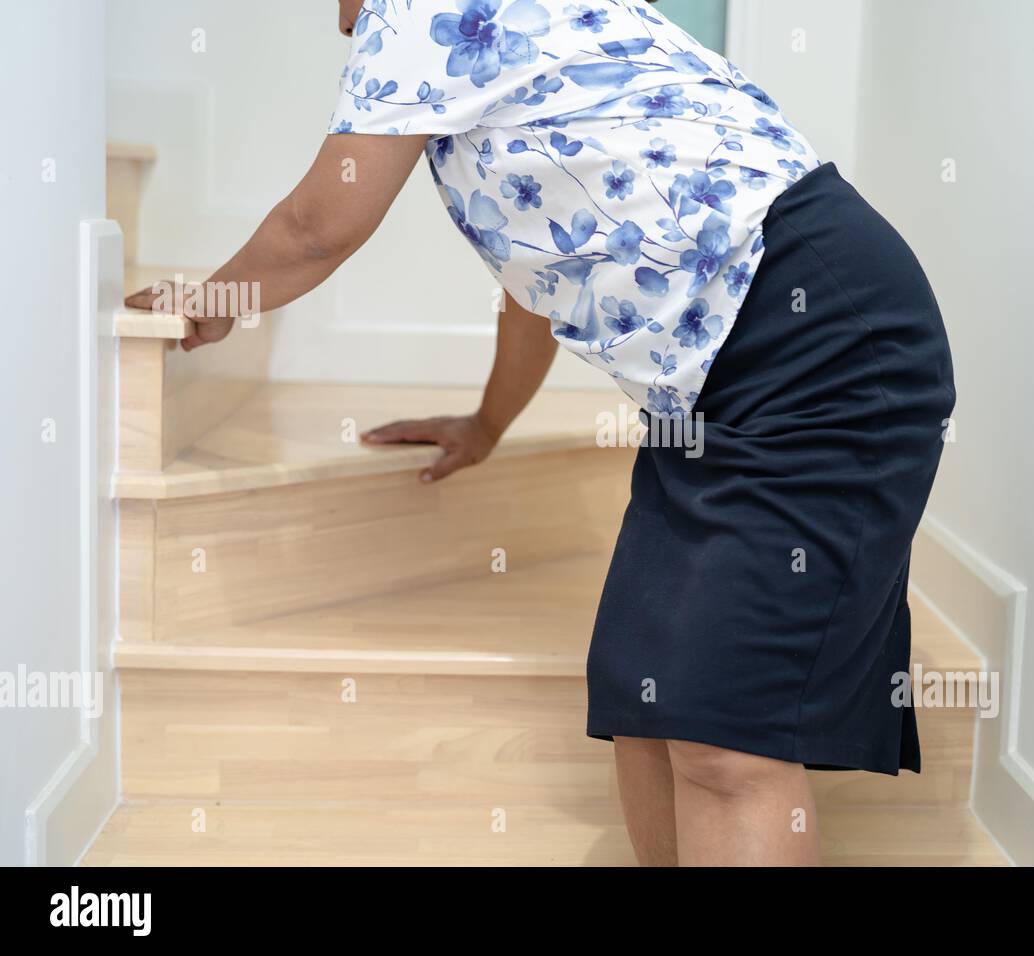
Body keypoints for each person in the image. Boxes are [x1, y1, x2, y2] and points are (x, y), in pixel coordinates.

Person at [127, 0, 956, 866]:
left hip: (820, 343)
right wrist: (489, 422)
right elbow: (542, 278)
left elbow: (318, 225)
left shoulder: (421, 10)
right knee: (650, 700)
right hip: (716, 381)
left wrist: (211, 303)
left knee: (724, 739)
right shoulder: (493, 42)